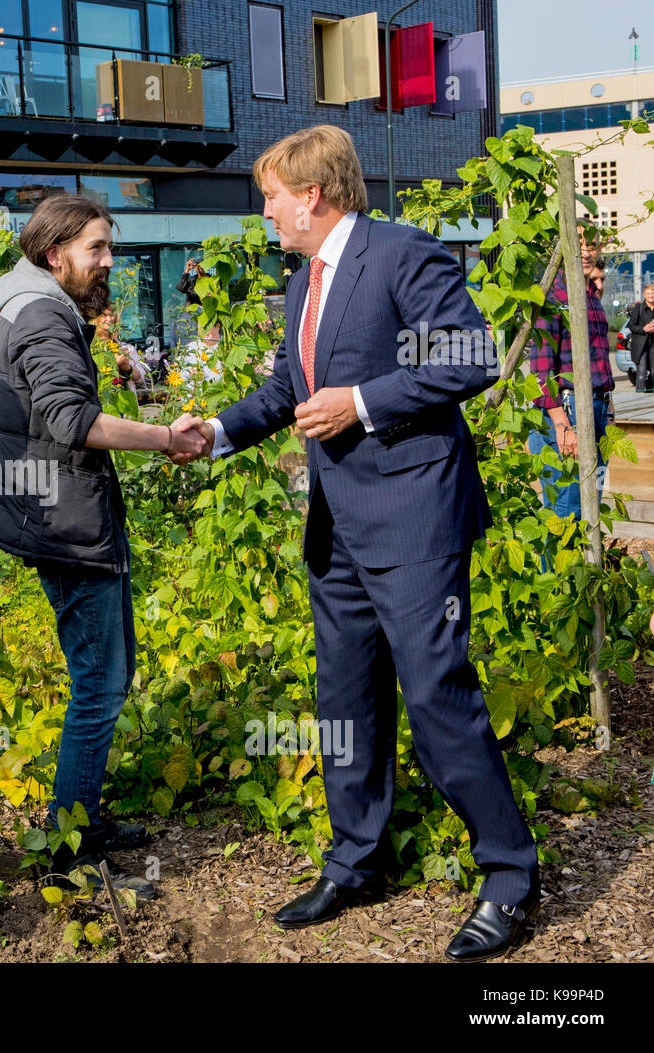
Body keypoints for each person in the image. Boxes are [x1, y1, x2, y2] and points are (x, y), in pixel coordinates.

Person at [176, 125, 539, 962]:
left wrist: (362, 402)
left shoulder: (404, 254)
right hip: (337, 530)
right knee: (346, 702)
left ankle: (511, 874)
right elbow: (284, 390)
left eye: (270, 194)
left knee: (437, 697)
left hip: (413, 519)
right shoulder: (307, 280)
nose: (264, 210)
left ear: (312, 194)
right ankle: (357, 858)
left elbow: (472, 354)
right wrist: (216, 431)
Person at [0, 192, 208, 897]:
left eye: (109, 246)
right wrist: (168, 437)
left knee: (108, 672)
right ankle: (68, 848)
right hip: (65, 524)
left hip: (48, 511)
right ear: (55, 254)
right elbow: (73, 419)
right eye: (97, 249)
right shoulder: (44, 315)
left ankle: (81, 818)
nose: (109, 261)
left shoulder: (24, 302)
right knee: (100, 685)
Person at [528, 231, 615, 522]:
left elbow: (599, 363)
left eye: (591, 245)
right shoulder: (554, 298)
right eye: (579, 246)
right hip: (569, 411)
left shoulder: (591, 297)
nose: (587, 253)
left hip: (598, 410)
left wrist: (609, 411)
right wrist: (562, 425)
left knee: (593, 501)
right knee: (568, 510)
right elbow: (540, 369)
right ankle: (558, 570)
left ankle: (584, 568)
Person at [626, 283, 654, 393]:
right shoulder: (639, 308)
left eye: (652, 293)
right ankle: (639, 394)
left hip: (653, 343)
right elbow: (631, 326)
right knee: (641, 371)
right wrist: (644, 329)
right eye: (648, 293)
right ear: (644, 295)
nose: (651, 295)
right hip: (640, 344)